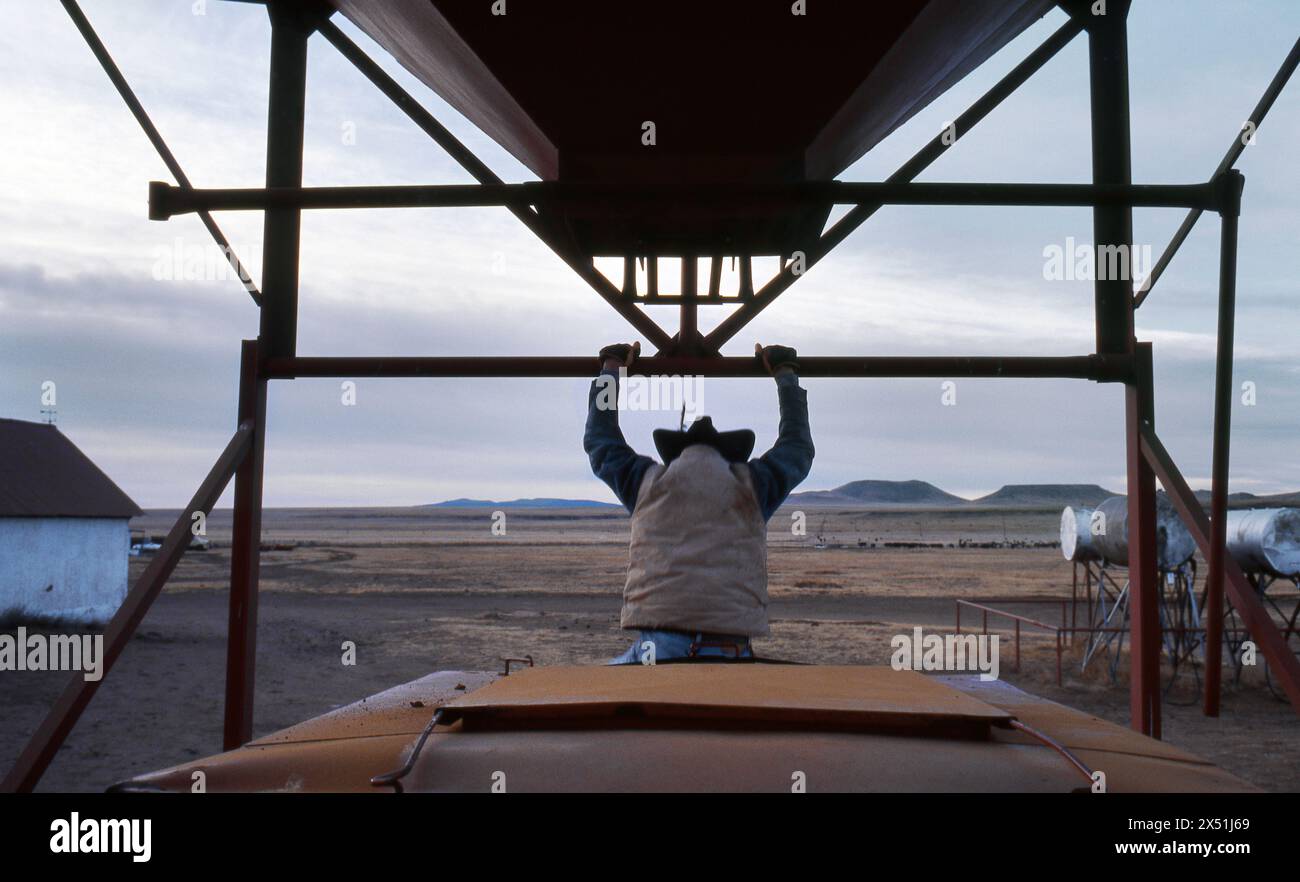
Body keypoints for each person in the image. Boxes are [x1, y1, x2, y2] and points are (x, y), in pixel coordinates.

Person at [584, 341, 814, 664]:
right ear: (729, 453)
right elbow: (798, 448)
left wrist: (611, 369)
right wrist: (785, 374)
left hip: (659, 648)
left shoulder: (645, 483)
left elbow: (600, 440)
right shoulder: (753, 485)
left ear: (676, 453)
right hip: (732, 649)